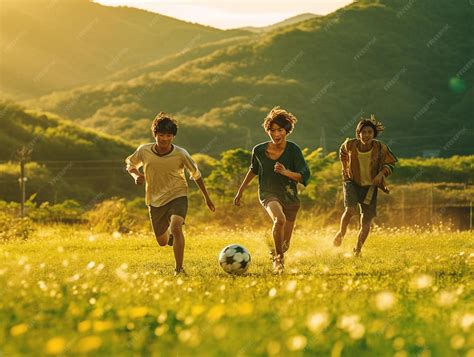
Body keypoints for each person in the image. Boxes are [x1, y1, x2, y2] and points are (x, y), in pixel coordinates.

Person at [126, 112, 215, 276]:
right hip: (154, 200)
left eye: (168, 135)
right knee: (162, 241)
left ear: (173, 136)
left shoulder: (181, 154)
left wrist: (206, 197)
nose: (164, 139)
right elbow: (130, 164)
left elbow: (196, 174)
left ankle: (179, 269)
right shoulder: (144, 150)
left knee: (176, 226)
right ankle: (171, 239)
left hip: (177, 195)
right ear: (155, 135)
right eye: (161, 135)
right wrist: (136, 176)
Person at [234, 107, 310, 274]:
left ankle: (276, 251)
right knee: (279, 219)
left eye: (280, 130)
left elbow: (304, 176)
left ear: (286, 131)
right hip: (268, 194)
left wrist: (285, 172)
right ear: (268, 131)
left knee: (285, 245)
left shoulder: (293, 150)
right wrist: (240, 191)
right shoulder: (259, 150)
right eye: (272, 130)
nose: (276, 134)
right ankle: (279, 261)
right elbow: (253, 170)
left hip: (290, 197)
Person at [333, 115, 397, 256]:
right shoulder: (350, 144)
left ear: (374, 135)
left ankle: (358, 249)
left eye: (370, 132)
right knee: (350, 210)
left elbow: (391, 163)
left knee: (366, 220)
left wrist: (380, 175)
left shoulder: (380, 147)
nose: (366, 135)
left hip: (370, 187)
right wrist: (344, 168)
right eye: (363, 132)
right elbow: (342, 152)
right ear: (358, 134)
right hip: (352, 182)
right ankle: (341, 233)